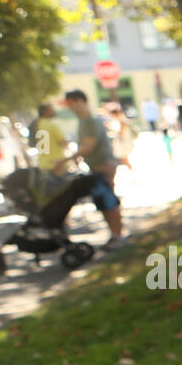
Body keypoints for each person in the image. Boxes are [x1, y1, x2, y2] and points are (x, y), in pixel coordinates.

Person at [62, 89, 125, 250]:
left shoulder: (91, 121)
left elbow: (88, 148)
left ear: (79, 101)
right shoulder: (83, 121)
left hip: (104, 166)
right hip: (96, 168)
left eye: (70, 104)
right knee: (103, 203)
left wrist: (66, 159)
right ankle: (115, 235)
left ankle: (118, 236)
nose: (70, 108)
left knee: (109, 202)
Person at [32, 103, 71, 177]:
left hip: (42, 164)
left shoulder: (37, 125)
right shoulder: (52, 126)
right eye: (52, 109)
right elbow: (64, 143)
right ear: (45, 112)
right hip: (56, 165)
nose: (54, 111)